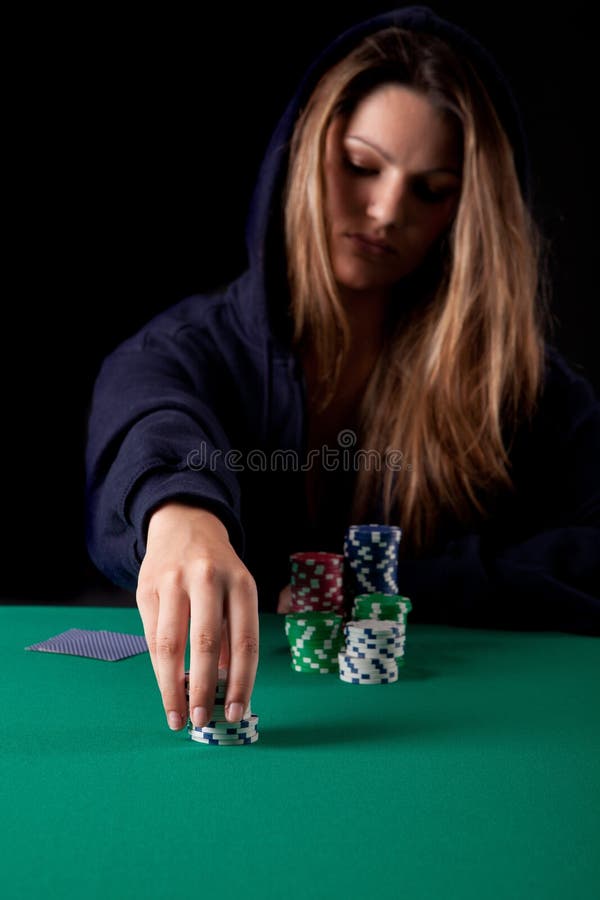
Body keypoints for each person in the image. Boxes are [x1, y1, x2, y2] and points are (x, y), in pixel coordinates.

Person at [85, 6, 600, 733]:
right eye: (360, 166)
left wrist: (403, 587)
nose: (388, 210)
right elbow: (146, 410)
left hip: (458, 734)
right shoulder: (189, 350)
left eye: (431, 189)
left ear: (467, 211)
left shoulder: (518, 388)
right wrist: (179, 513)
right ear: (302, 154)